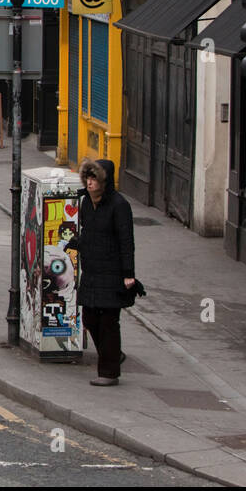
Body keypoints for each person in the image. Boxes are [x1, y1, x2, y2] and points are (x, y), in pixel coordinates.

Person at [69, 158, 137, 387]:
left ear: (104, 181)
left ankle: (109, 372)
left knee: (108, 321)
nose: (89, 183)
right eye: (87, 178)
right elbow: (88, 231)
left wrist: (128, 274)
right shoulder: (87, 203)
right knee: (89, 317)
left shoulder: (119, 206)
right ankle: (113, 353)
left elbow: (126, 241)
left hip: (112, 272)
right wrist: (77, 243)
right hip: (92, 270)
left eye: (94, 179)